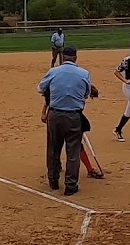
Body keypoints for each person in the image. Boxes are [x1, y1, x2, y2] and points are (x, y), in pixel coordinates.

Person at [38, 46, 91, 195]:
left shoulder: (53, 72)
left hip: (54, 115)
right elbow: (86, 94)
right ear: (75, 57)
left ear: (63, 57)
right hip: (74, 115)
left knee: (53, 149)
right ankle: (70, 186)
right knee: (73, 152)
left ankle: (53, 181)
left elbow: (41, 89)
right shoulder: (84, 74)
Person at [40, 70, 103, 180]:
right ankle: (57, 168)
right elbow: (47, 98)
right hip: (61, 115)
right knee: (59, 145)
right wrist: (43, 112)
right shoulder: (57, 86)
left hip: (68, 115)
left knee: (69, 144)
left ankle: (89, 169)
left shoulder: (67, 81)